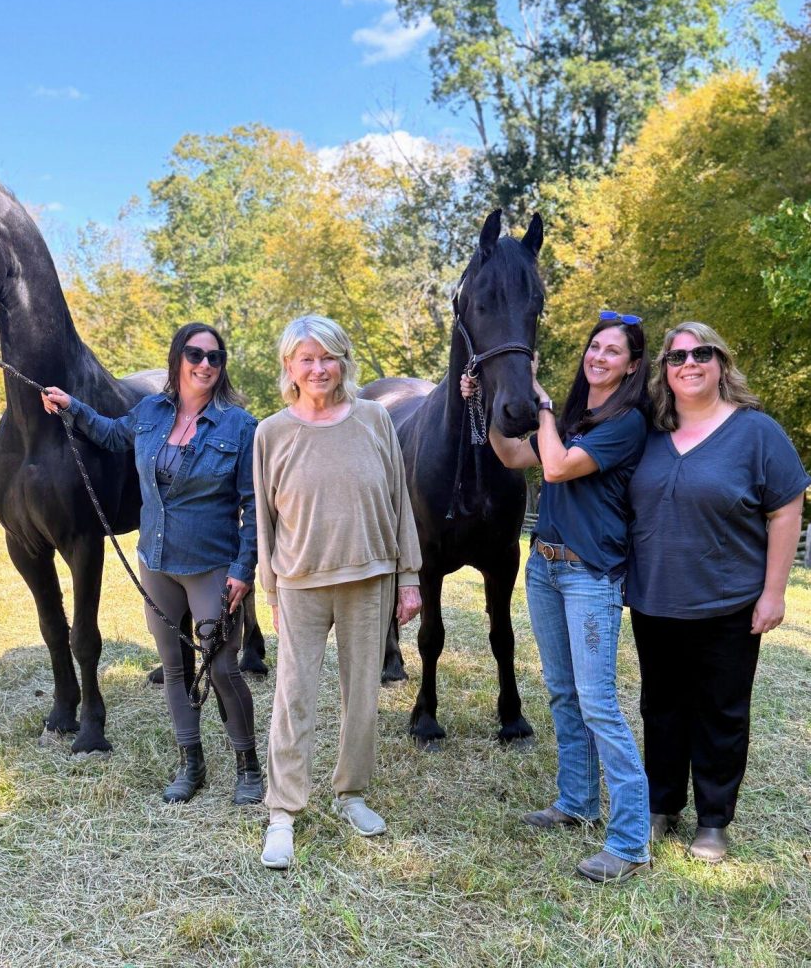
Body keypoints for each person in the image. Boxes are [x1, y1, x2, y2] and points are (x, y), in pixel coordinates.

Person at [462, 311, 651, 883]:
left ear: (633, 366)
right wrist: (483, 404)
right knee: (563, 693)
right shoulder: (575, 415)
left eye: (612, 351)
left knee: (598, 702)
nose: (598, 356)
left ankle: (629, 841)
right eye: (595, 347)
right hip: (545, 567)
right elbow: (516, 456)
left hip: (590, 575)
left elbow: (561, 466)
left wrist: (541, 403)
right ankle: (576, 802)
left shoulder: (627, 422)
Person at [41, 322, 262, 805]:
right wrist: (72, 406)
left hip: (211, 566)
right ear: (177, 357)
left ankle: (248, 766)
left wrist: (244, 570)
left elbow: (253, 506)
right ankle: (191, 762)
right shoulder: (150, 412)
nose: (204, 364)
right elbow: (112, 435)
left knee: (223, 668)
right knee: (174, 669)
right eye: (195, 354)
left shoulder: (239, 426)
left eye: (214, 357)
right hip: (156, 564)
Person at [627, 322, 809, 863]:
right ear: (664, 369)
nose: (689, 363)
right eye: (677, 355)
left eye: (701, 353)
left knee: (721, 711)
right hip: (655, 599)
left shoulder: (756, 433)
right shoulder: (650, 433)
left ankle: (713, 821)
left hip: (727, 603)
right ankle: (662, 806)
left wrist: (773, 594)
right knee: (660, 707)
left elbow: (785, 508)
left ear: (721, 363)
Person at [254, 314, 423, 870]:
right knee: (293, 696)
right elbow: (264, 520)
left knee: (363, 697)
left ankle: (351, 792)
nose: (319, 368)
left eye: (328, 357)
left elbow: (400, 501)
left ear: (343, 361)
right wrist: (272, 588)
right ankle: (283, 811)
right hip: (301, 581)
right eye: (308, 358)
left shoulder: (375, 419)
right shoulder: (271, 432)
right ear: (290, 367)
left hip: (370, 577)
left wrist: (409, 577)